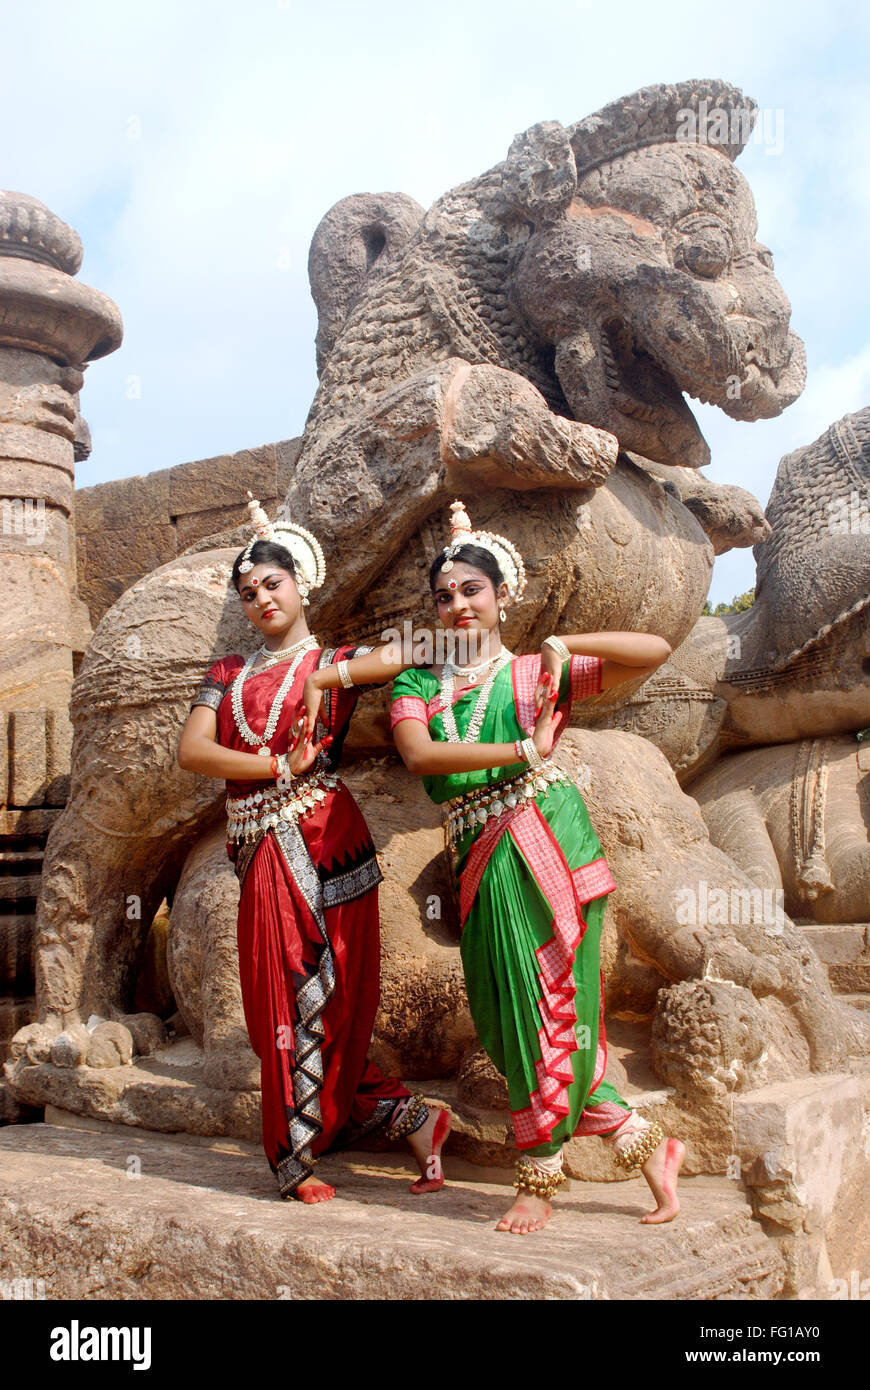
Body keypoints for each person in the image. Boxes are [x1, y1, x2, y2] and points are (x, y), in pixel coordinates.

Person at [388, 500, 686, 1234]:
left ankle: (540, 1179)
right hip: (479, 852)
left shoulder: (533, 674)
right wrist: (521, 751)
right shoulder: (419, 685)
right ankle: (643, 1144)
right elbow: (421, 756)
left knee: (549, 1009)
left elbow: (653, 648)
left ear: (501, 595)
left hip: (547, 839)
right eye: (444, 595)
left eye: (471, 591)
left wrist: (563, 641)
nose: (456, 604)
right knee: (505, 1016)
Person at [176, 494, 450, 1203]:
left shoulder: (333, 660)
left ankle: (366, 1129)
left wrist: (329, 676)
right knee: (282, 990)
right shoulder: (229, 673)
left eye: (273, 582)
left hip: (330, 833)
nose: (261, 598)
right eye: (248, 592)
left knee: (340, 996)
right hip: (266, 838)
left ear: (301, 582)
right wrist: (275, 767)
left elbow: (415, 651)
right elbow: (193, 751)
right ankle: (345, 1136)